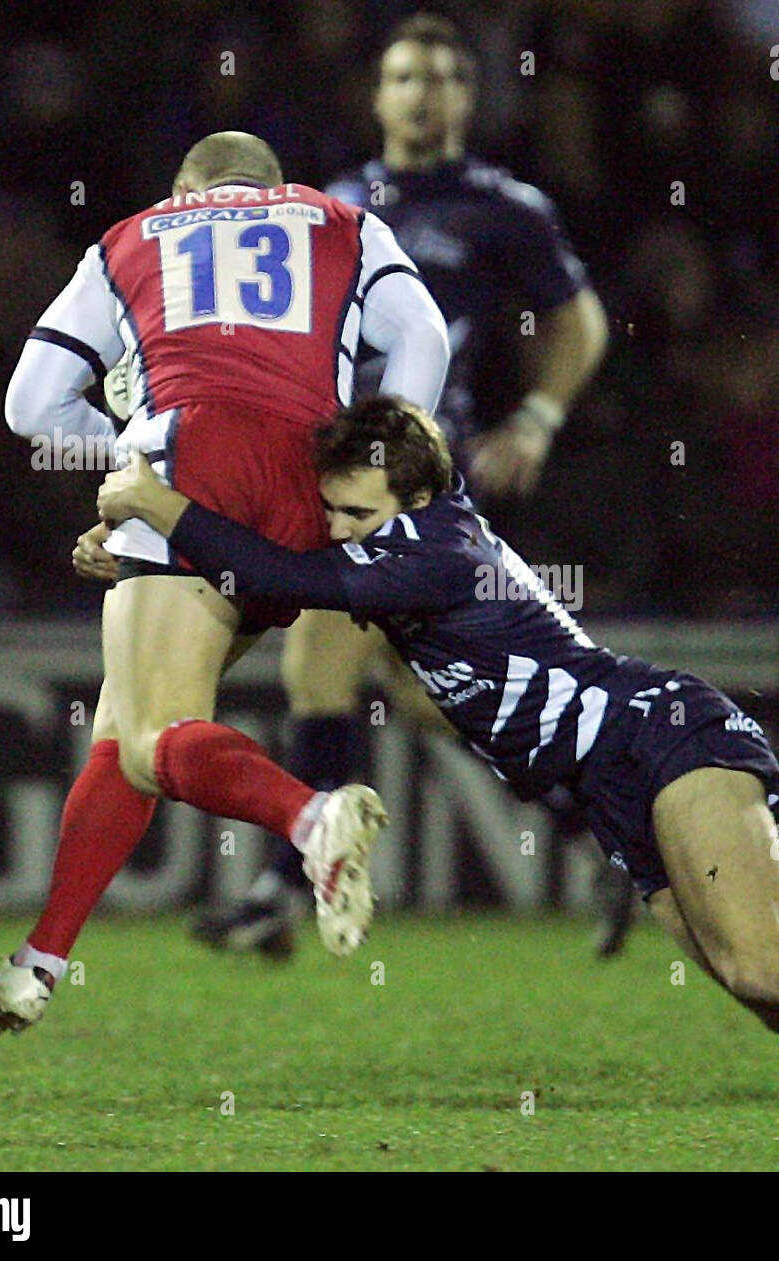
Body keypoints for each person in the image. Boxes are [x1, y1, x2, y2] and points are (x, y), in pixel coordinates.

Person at [91, 394, 779, 1107]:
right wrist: (146, 565)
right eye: (331, 509)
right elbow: (280, 575)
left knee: (765, 958)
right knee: (773, 1000)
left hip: (660, 735)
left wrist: (159, 504)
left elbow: (301, 581)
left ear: (415, 497)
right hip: (614, 781)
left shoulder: (435, 543)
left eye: (357, 510)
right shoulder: (396, 541)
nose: (339, 528)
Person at [0, 132, 449, 1035]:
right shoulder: (346, 221)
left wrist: (133, 459)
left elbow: (30, 405)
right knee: (125, 726)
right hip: (310, 484)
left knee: (152, 739)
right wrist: (379, 475)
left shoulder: (136, 235)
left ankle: (312, 820)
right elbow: (422, 333)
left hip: (192, 461)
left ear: (186, 187)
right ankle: (38, 963)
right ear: (275, 184)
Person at [197, 12, 614, 961]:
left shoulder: (503, 206)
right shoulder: (333, 202)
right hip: (335, 466)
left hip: (426, 475)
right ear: (379, 95)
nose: (423, 93)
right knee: (432, 693)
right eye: (405, 76)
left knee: (322, 652)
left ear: (467, 95)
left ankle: (279, 882)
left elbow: (578, 322)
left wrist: (538, 420)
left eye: (441, 77)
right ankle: (597, 826)